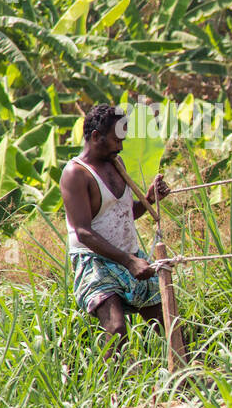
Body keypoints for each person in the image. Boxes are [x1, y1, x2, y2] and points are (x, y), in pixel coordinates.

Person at [60, 103, 171, 358]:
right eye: (115, 140)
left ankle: (189, 377)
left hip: (128, 254)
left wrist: (149, 199)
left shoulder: (116, 162)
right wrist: (129, 261)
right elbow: (83, 232)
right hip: (94, 261)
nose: (120, 146)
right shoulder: (75, 174)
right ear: (96, 137)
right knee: (116, 328)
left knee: (167, 319)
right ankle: (113, 394)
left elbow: (124, 214)